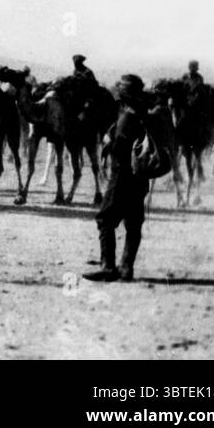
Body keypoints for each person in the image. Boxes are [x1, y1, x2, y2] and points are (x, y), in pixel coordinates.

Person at [87, 75, 151, 282]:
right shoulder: (143, 115)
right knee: (133, 223)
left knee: (105, 219)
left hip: (122, 176)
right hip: (140, 179)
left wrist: (108, 142)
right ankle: (126, 268)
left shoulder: (126, 119)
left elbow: (119, 150)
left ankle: (108, 267)